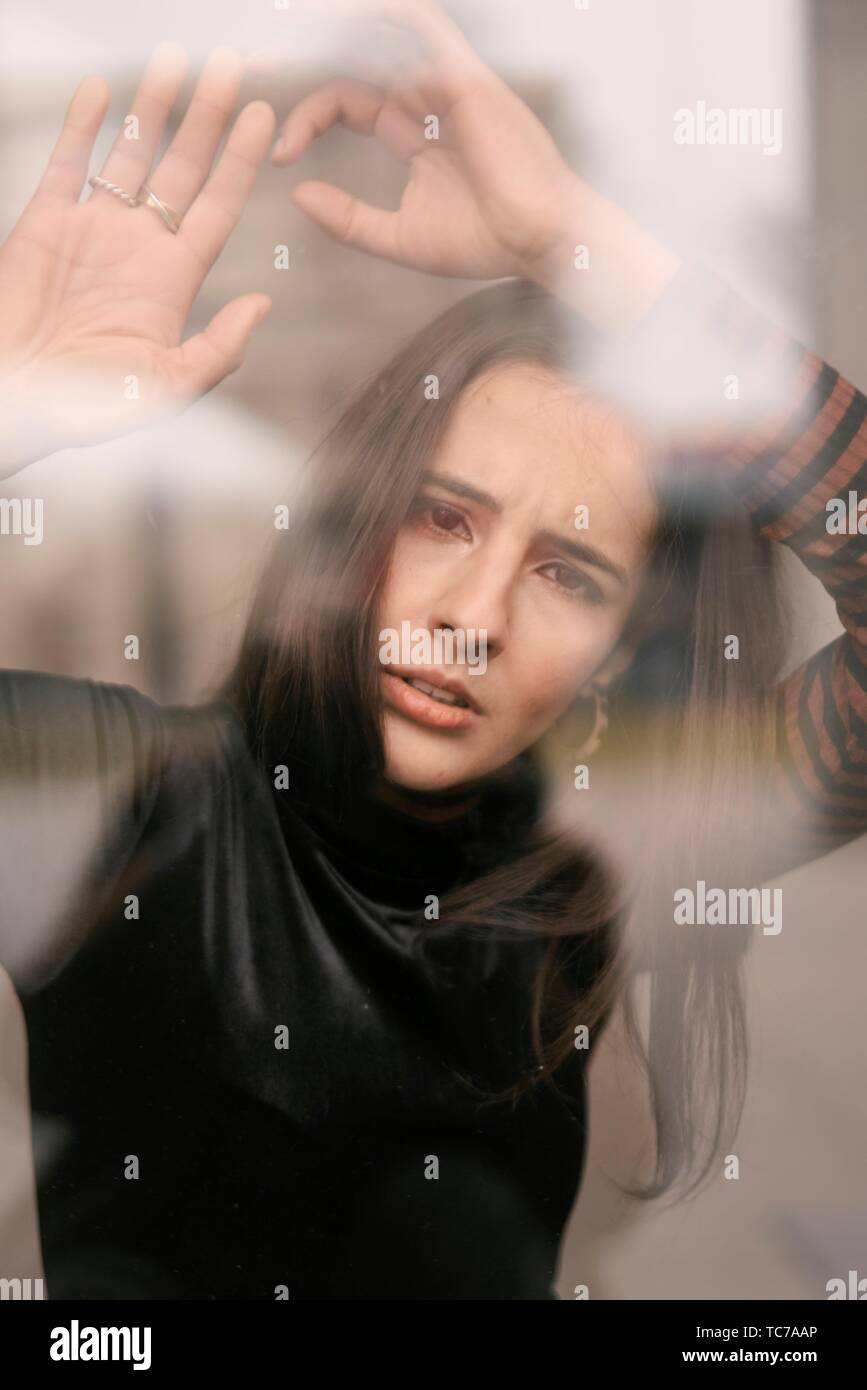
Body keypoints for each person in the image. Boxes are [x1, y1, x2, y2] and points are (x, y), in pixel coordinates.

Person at [1, 1, 865, 1300]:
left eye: (567, 571)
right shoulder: (131, 801)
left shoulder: (600, 848)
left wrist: (573, 240)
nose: (474, 609)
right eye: (441, 516)